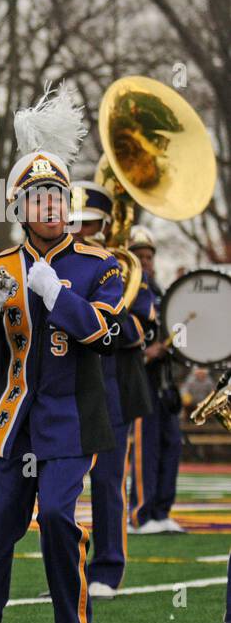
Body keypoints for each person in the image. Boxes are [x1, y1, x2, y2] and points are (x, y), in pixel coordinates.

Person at [0, 86, 122, 623]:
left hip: (73, 420)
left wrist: (56, 293)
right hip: (13, 420)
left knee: (55, 515)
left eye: (55, 195)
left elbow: (103, 333)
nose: (47, 206)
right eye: (35, 198)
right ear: (18, 208)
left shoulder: (101, 265)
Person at [70, 180, 152, 598]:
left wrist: (99, 319)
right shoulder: (63, 263)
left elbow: (140, 330)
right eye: (73, 223)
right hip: (67, 386)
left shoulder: (121, 267)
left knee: (106, 479)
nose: (79, 231)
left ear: (103, 224)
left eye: (87, 223)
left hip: (111, 386)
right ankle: (68, 571)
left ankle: (107, 567)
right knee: (61, 484)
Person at [128, 229, 185, 535]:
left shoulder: (160, 291)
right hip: (140, 380)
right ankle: (140, 514)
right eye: (140, 256)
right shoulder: (124, 289)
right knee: (145, 447)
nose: (146, 261)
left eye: (149, 256)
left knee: (171, 443)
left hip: (163, 381)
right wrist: (146, 352)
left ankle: (162, 510)